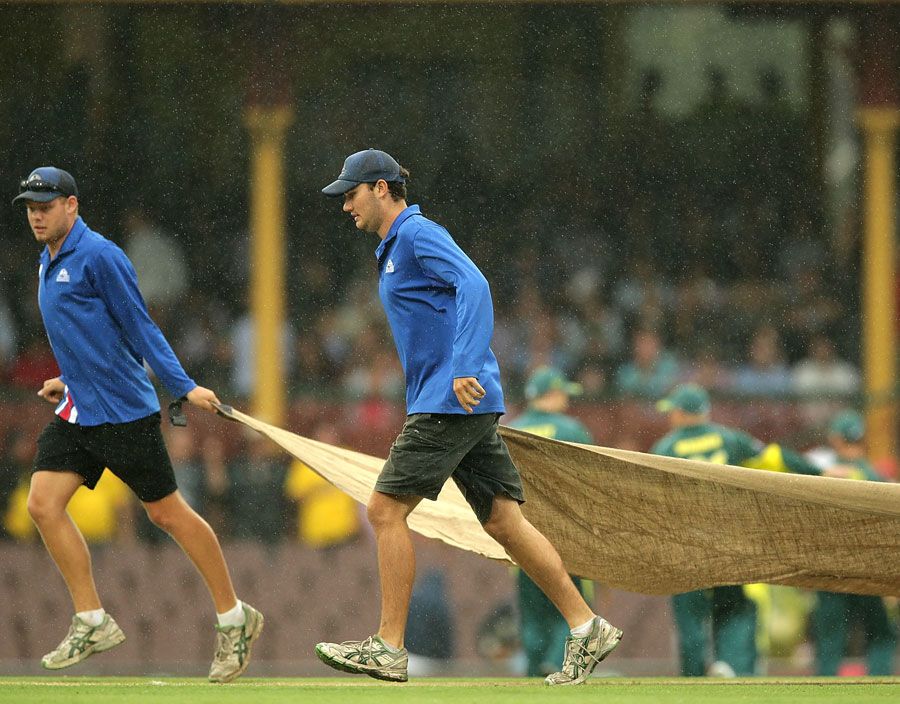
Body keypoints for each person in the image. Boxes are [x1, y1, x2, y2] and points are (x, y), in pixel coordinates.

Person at [315, 149, 622, 685]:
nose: (345, 205)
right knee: (504, 521)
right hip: (462, 400)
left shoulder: (415, 234)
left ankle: (389, 646)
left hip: (448, 400)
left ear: (382, 188)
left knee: (385, 511)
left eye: (352, 193)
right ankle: (585, 625)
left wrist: (462, 365)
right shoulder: (394, 245)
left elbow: (475, 285)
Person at [13, 167, 262, 682]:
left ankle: (235, 617)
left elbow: (140, 327)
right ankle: (91, 618)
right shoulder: (47, 260)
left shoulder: (102, 257)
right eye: (30, 206)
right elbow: (87, 333)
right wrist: (66, 377)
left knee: (167, 515)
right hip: (81, 408)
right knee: (41, 503)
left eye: (46, 203)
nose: (36, 213)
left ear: (72, 206)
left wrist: (183, 385)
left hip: (125, 411)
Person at [651, 384, 824, 677]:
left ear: (680, 413)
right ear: (704, 412)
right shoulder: (730, 439)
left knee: (690, 617)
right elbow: (776, 458)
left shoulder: (665, 448)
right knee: (734, 609)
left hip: (685, 547)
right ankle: (733, 670)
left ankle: (691, 685)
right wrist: (818, 476)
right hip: (727, 543)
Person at [507, 367, 595, 677]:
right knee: (569, 600)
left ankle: (535, 665)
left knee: (532, 610)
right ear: (553, 393)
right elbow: (591, 482)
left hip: (521, 530)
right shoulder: (573, 430)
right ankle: (559, 660)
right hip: (564, 532)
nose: (567, 401)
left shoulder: (509, 431)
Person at [810, 411, 897, 676]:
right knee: (881, 635)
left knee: (829, 639)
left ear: (836, 439)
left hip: (830, 565)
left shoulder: (820, 472)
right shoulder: (875, 477)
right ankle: (880, 691)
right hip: (866, 567)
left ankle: (822, 696)